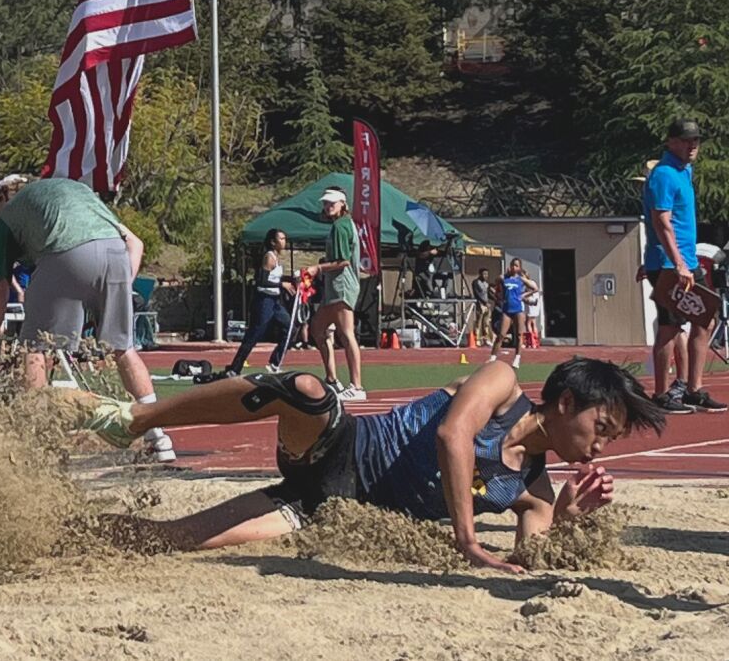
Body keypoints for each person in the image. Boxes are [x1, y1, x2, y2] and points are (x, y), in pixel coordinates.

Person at [84, 357, 665, 571]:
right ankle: (135, 419)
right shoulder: (501, 382)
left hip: (323, 504)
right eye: (601, 429)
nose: (600, 446)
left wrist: (567, 513)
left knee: (173, 538)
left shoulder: (533, 490)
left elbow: (526, 561)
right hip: (339, 446)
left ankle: (70, 531)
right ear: (566, 404)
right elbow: (451, 433)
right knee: (307, 389)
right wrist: (466, 537)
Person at [0, 175, 175, 463]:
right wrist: (113, 294)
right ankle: (159, 437)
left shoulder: (10, 213)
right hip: (115, 254)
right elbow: (135, 242)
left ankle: (37, 441)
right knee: (124, 348)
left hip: (64, 254)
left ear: (2, 197)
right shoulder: (72, 191)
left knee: (35, 349)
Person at [642, 119, 726, 413]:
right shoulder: (664, 174)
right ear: (670, 142)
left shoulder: (683, 171)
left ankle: (694, 389)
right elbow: (660, 221)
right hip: (671, 264)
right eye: (685, 140)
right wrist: (675, 263)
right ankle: (662, 394)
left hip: (686, 261)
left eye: (695, 141)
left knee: (706, 318)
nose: (692, 146)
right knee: (669, 326)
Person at [304, 189, 365, 401]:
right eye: (326, 203)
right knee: (318, 328)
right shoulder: (341, 225)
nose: (328, 206)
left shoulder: (341, 226)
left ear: (342, 204)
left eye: (332, 203)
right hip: (335, 287)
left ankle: (356, 386)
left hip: (342, 286)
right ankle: (332, 379)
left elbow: (343, 261)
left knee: (346, 334)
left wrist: (317, 269)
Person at [225, 229, 295, 376]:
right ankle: (234, 368)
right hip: (264, 301)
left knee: (289, 328)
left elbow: (274, 279)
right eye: (281, 239)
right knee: (255, 335)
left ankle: (275, 363)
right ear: (273, 242)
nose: (284, 242)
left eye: (284, 239)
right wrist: (282, 285)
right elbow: (261, 282)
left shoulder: (277, 257)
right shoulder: (269, 258)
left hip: (275, 302)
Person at [488, 258, 538, 370]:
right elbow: (495, 283)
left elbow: (535, 288)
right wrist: (498, 295)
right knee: (501, 334)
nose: (513, 267)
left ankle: (517, 358)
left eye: (516, 266)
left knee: (519, 334)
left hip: (518, 309)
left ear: (519, 268)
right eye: (512, 265)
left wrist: (524, 295)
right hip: (506, 309)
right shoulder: (504, 278)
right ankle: (493, 357)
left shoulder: (520, 279)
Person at [472, 267, 493, 347]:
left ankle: (486, 339)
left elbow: (488, 294)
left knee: (486, 323)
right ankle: (477, 338)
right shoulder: (476, 282)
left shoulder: (486, 284)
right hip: (480, 304)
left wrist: (496, 299)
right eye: (484, 274)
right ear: (480, 274)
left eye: (487, 274)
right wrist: (484, 302)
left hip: (487, 305)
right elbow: (477, 294)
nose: (485, 276)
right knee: (478, 322)